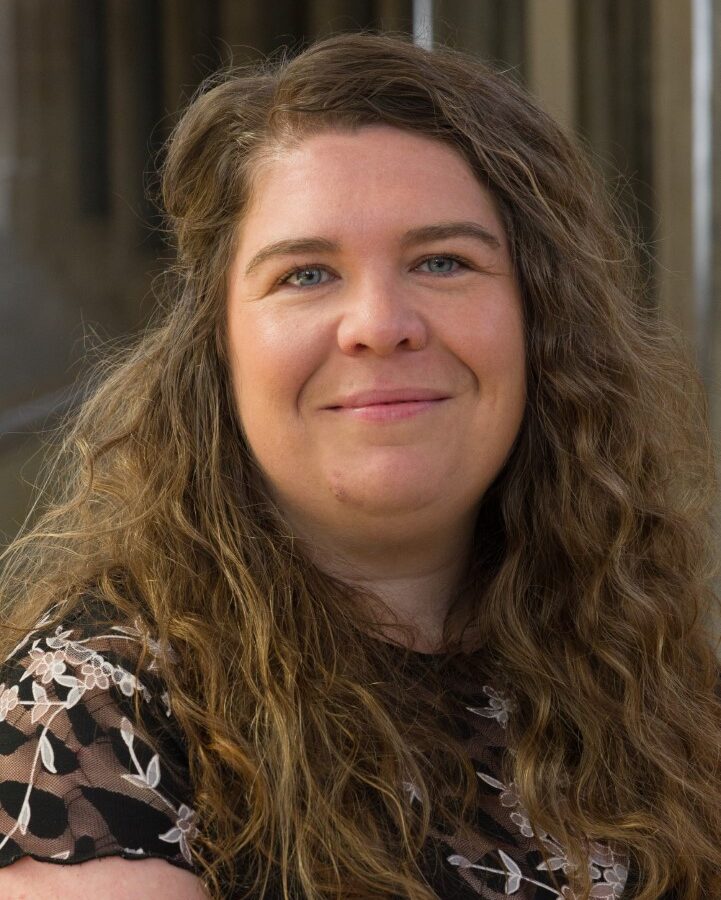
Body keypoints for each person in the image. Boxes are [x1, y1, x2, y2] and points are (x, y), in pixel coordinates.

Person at [0, 28, 719, 900]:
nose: (379, 322)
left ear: (541, 325)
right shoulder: (92, 717)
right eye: (306, 274)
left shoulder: (643, 669)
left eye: (443, 261)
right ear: (218, 349)